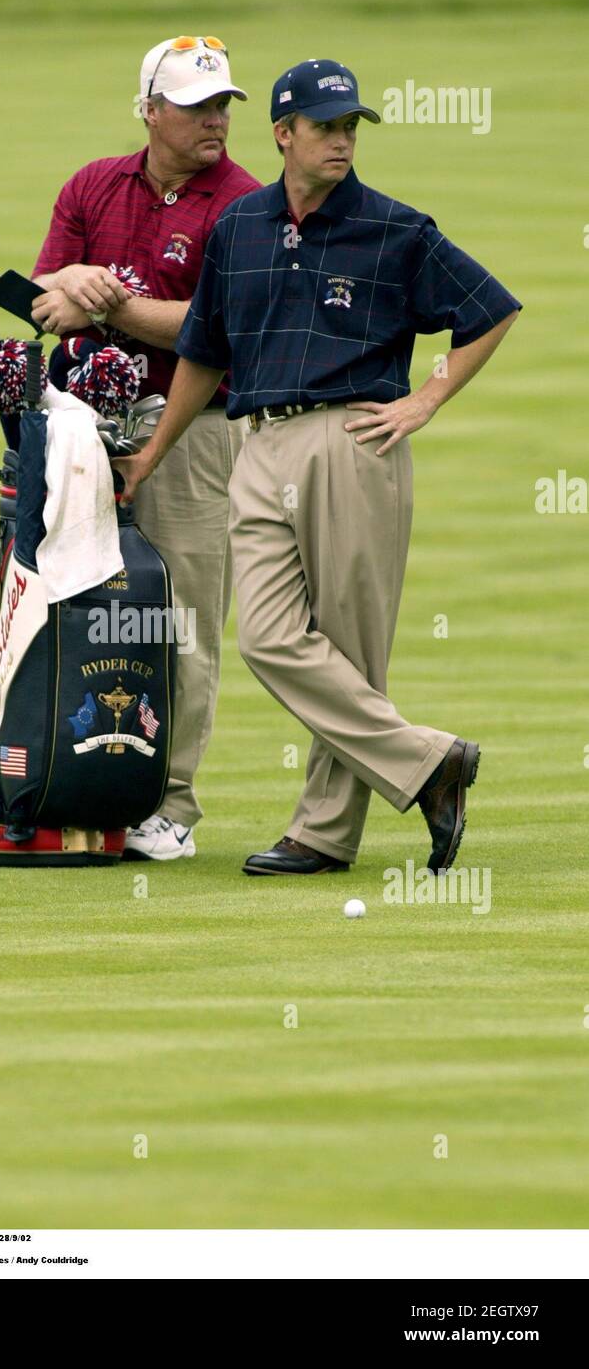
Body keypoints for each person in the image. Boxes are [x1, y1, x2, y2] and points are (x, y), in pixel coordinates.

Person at [115, 58, 521, 877]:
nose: (340, 141)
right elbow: (204, 349)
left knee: (348, 644)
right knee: (268, 638)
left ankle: (323, 835)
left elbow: (488, 310)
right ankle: (428, 760)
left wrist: (425, 401)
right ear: (282, 135)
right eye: (325, 127)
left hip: (355, 441)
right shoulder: (241, 227)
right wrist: (153, 455)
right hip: (256, 442)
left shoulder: (396, 228)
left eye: (349, 128)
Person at [29, 36, 261, 862]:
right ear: (151, 111)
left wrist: (109, 301)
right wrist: (80, 279)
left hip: (196, 433)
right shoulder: (93, 184)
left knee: (185, 619)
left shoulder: (244, 204)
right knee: (65, 604)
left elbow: (221, 331)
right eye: (197, 105)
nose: (215, 120)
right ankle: (64, 774)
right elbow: (42, 299)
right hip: (83, 431)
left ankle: (172, 804)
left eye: (223, 105)